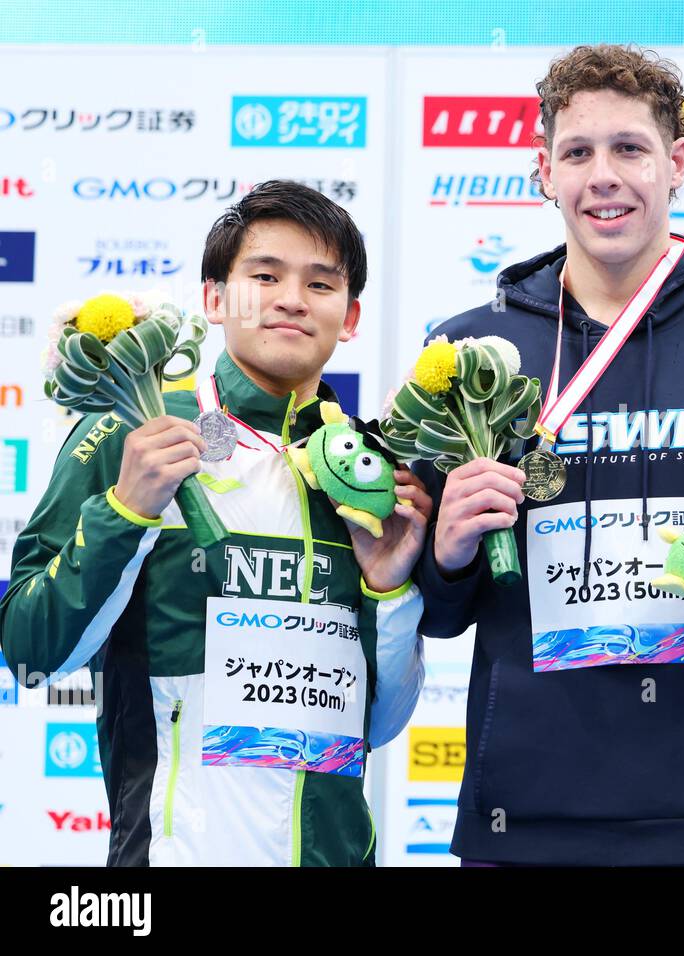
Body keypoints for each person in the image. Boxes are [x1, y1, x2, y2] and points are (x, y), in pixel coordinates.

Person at [415, 44, 684, 865]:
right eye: (577, 153)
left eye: (630, 149)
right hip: (523, 814)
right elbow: (437, 609)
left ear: (679, 162)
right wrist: (448, 550)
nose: (602, 175)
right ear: (543, 172)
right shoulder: (470, 347)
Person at [0, 180, 431, 866]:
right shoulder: (134, 431)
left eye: (320, 285)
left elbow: (374, 725)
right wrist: (124, 512)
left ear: (349, 317)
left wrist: (388, 591)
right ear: (213, 299)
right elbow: (28, 652)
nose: (291, 298)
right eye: (264, 276)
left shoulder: (367, 469)